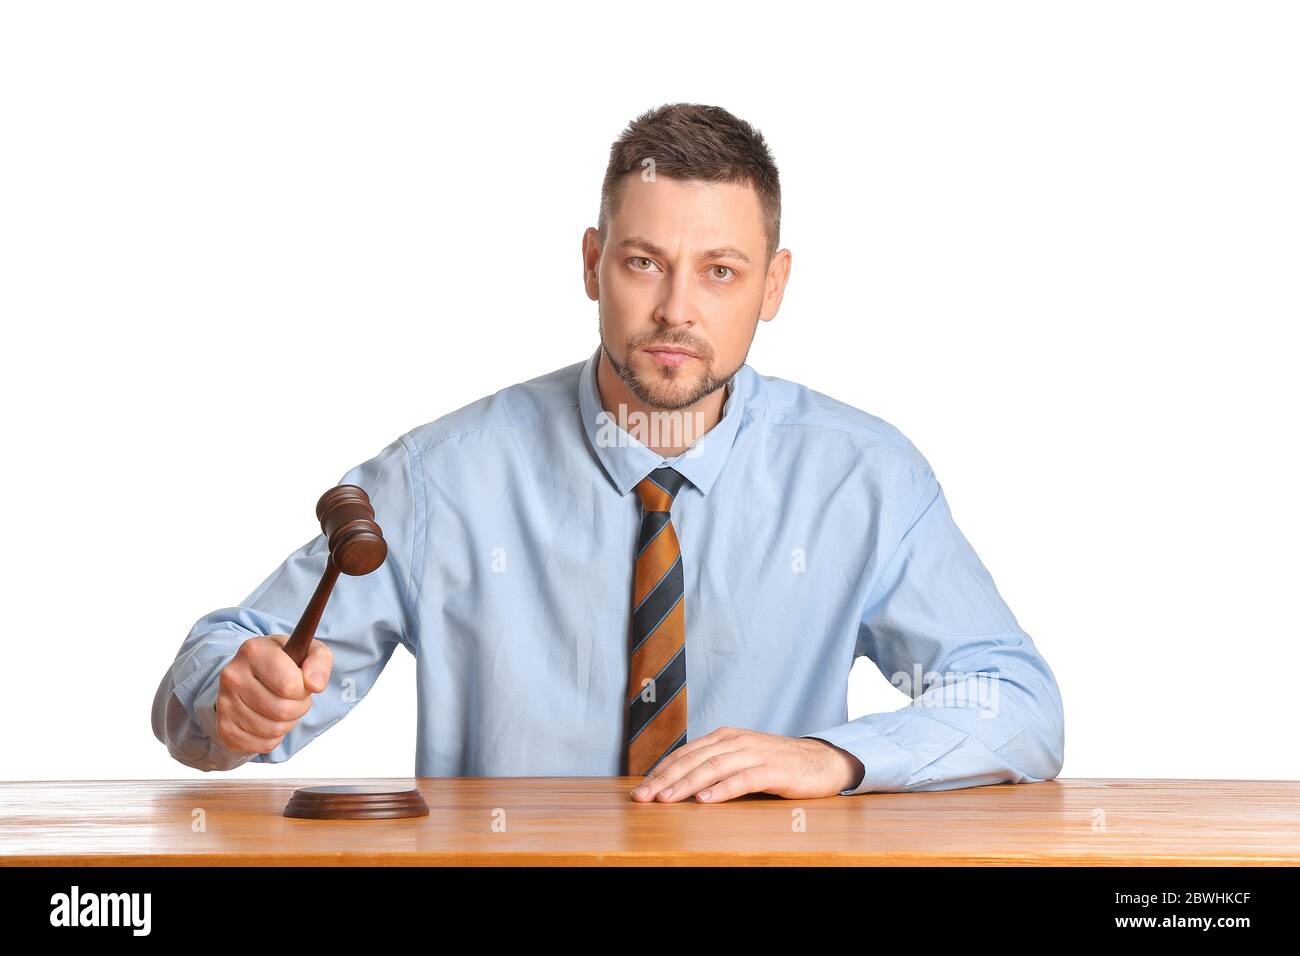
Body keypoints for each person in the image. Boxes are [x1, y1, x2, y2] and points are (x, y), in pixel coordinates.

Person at [152, 102, 1065, 802]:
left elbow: (1018, 706)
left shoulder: (865, 480)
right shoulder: (444, 480)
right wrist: (231, 700)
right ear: (591, 263)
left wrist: (836, 755)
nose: (677, 310)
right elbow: (208, 682)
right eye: (642, 263)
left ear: (773, 285)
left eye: (720, 271)